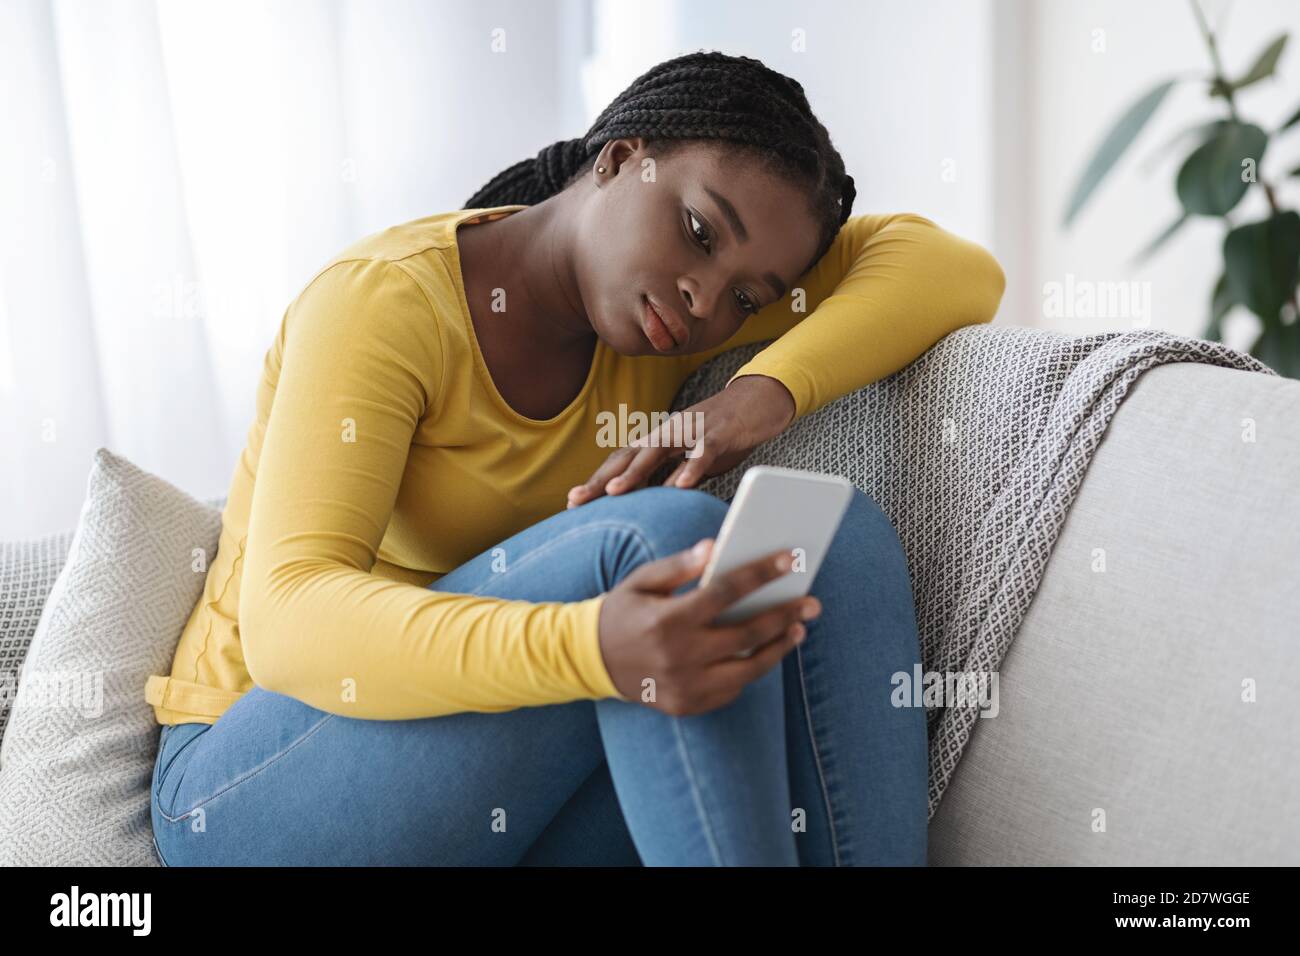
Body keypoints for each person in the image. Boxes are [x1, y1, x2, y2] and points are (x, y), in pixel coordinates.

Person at [146, 50, 1006, 866]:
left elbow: (955, 267)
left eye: (747, 298)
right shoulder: (384, 302)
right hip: (251, 781)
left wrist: (762, 392)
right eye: (700, 231)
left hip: (495, 772)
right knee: (663, 540)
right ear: (622, 158)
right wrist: (592, 647)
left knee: (824, 533)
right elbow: (289, 621)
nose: (706, 300)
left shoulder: (658, 320)